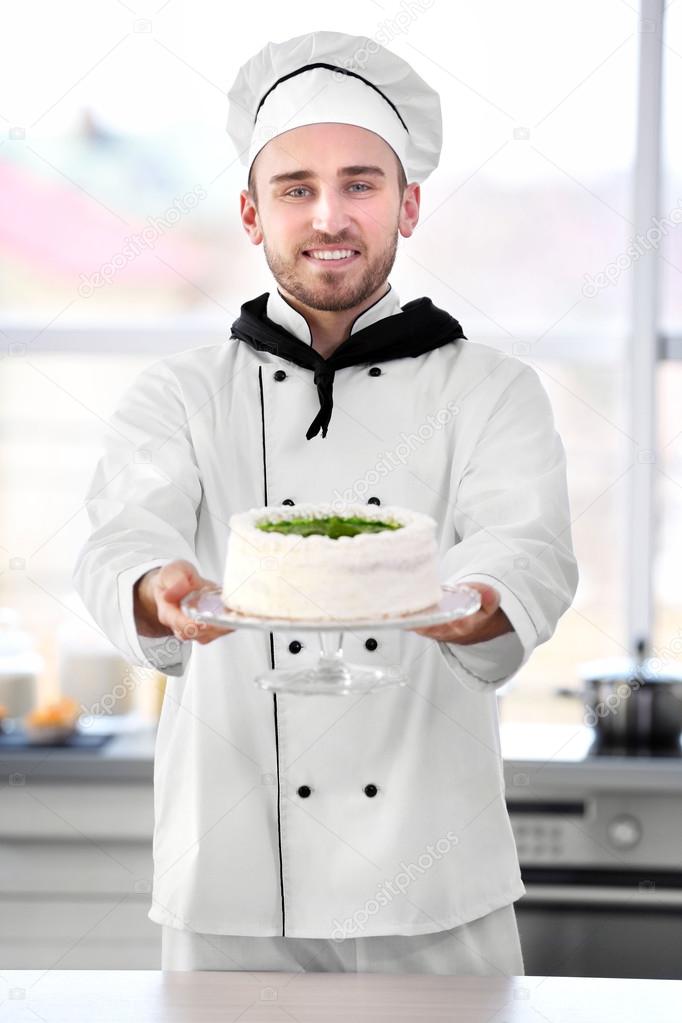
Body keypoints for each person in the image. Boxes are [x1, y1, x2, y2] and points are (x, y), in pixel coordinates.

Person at [73, 30, 578, 975]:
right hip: (232, 885)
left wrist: (477, 599)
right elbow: (119, 536)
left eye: (361, 183)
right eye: (296, 188)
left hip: (436, 891)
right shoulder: (179, 393)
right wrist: (158, 586)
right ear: (251, 212)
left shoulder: (493, 388)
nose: (329, 216)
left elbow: (531, 545)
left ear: (410, 204)